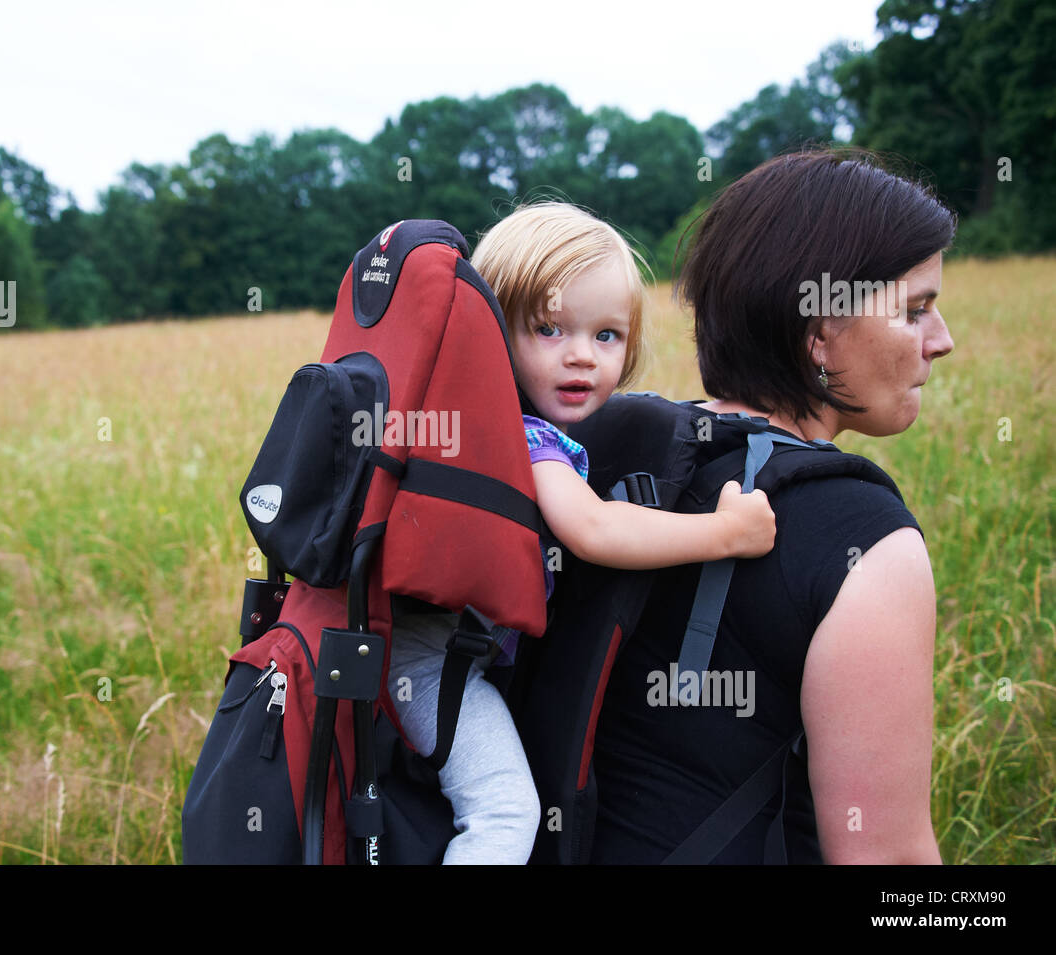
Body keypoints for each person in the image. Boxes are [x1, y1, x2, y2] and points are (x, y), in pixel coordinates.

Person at [585, 149, 954, 863]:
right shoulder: (866, 541)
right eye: (914, 310)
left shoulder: (599, 448)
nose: (941, 340)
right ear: (818, 336)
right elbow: (887, 864)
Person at [385, 202, 778, 864]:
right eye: (548, 329)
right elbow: (594, 529)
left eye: (606, 336)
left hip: (419, 654)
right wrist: (725, 533)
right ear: (493, 333)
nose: (581, 357)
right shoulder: (529, 441)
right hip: (428, 666)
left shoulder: (477, 427)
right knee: (506, 808)